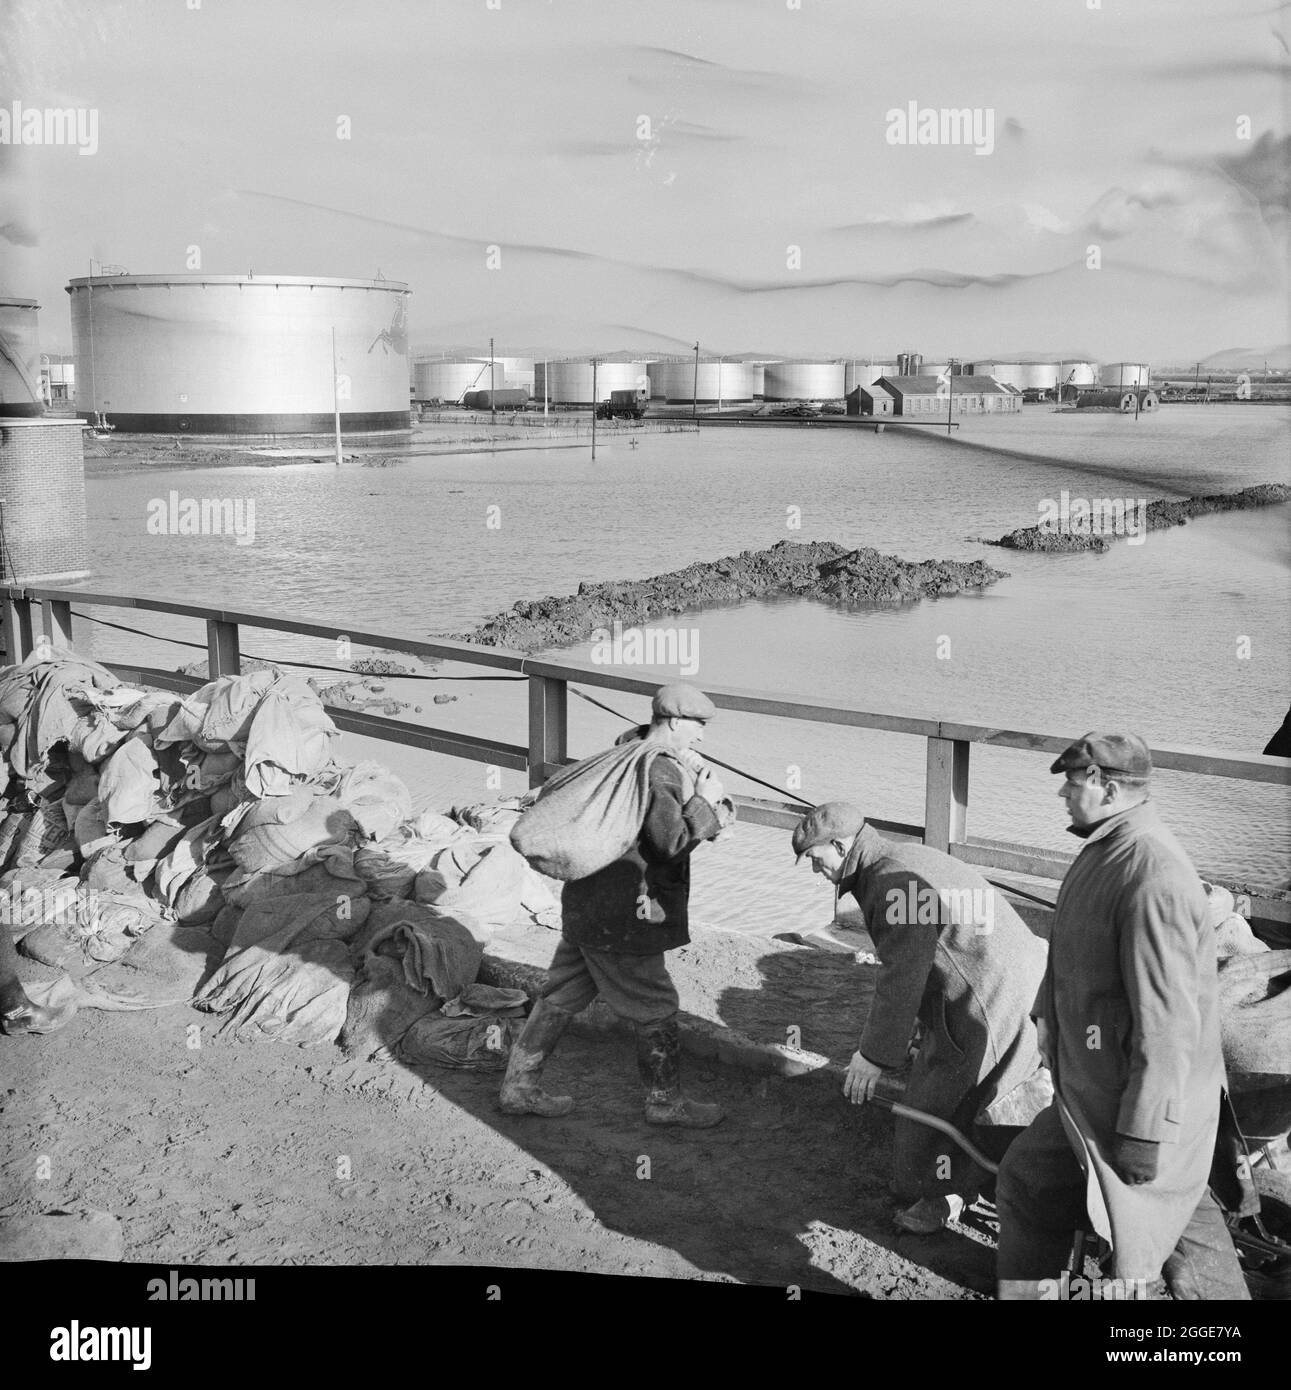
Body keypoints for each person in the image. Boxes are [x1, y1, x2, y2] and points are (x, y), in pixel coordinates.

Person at [995, 732, 1249, 1300]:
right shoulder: (1106, 849)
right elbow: (1071, 953)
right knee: (1030, 1181)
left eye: (1072, 780)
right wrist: (1046, 1017)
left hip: (1138, 1108)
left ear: (1108, 788)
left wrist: (1143, 1132)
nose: (1062, 792)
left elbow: (1169, 1024)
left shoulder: (1150, 874)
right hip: (1093, 1096)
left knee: (1159, 1233)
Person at [793, 801, 1051, 1233]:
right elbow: (925, 955)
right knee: (976, 1092)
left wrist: (873, 1055)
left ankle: (942, 1196)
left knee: (930, 1114)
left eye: (815, 858)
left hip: (991, 1000)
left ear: (838, 845)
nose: (814, 869)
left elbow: (901, 976)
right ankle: (984, 1179)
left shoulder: (890, 883)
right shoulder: (895, 858)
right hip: (1012, 981)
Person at [500, 683, 733, 1128]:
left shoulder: (622, 754)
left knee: (561, 995)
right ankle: (665, 1102)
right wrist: (705, 800)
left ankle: (518, 1087)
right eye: (699, 726)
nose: (701, 737)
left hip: (587, 904)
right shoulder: (661, 772)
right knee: (656, 1003)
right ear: (676, 721)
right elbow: (669, 844)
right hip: (627, 915)